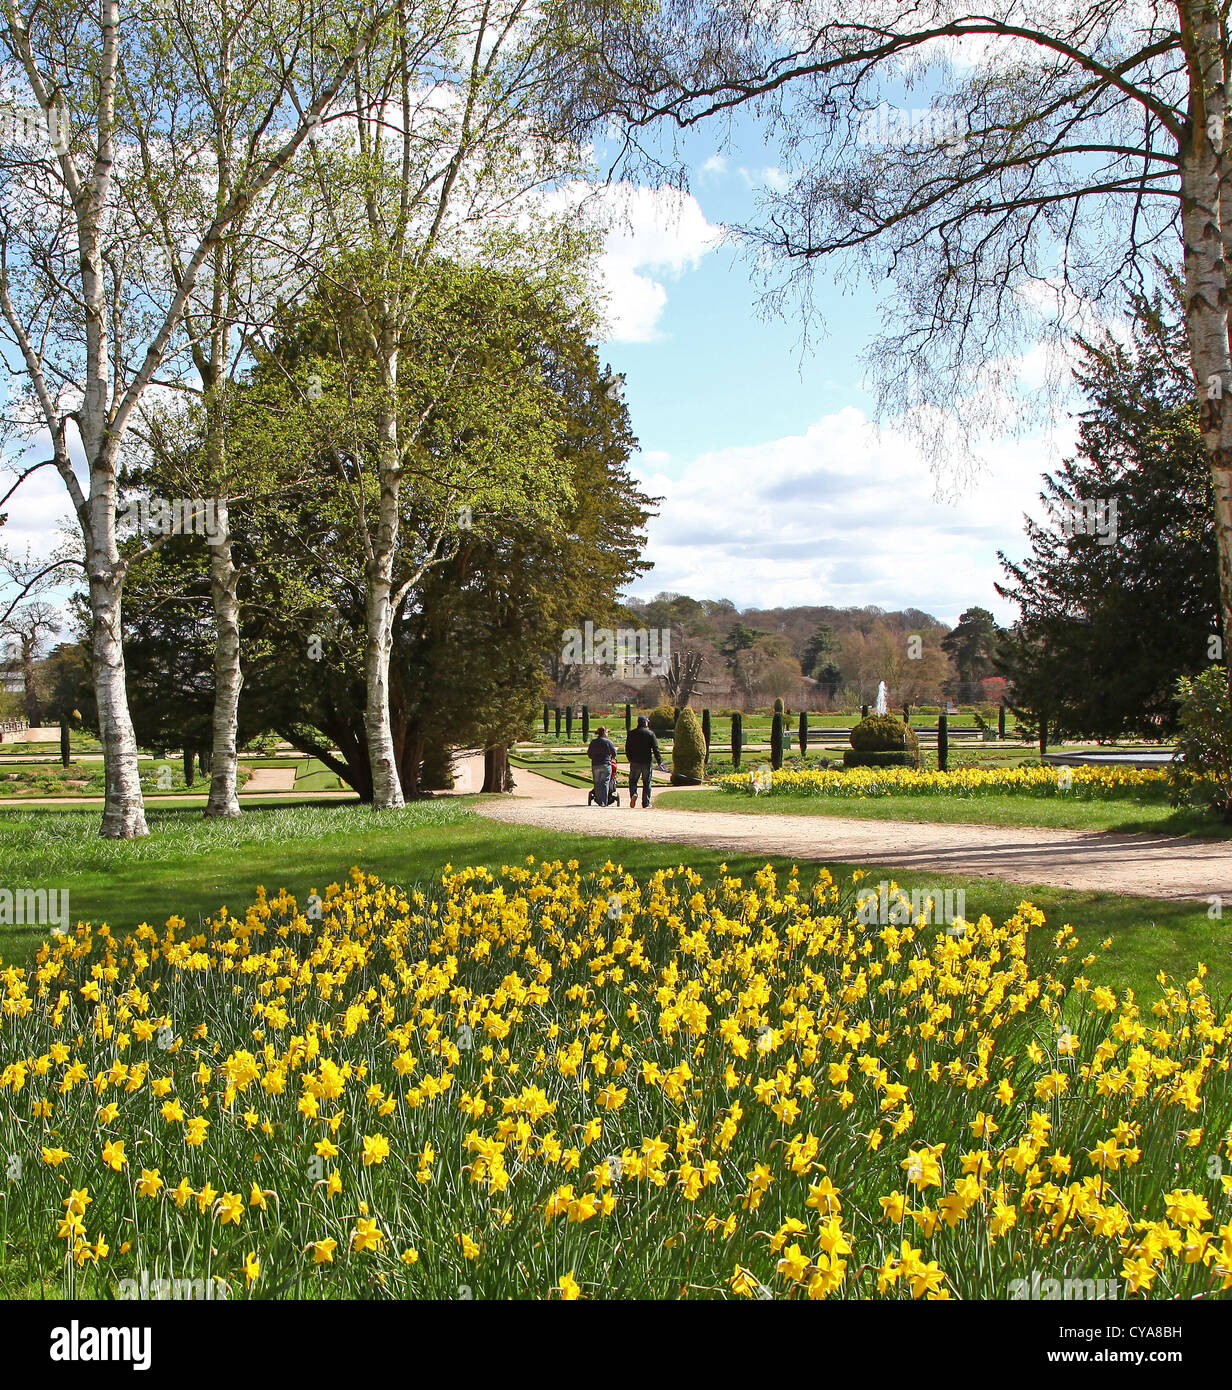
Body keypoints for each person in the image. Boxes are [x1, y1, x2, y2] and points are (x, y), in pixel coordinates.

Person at [624, 714, 666, 808]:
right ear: (645, 722)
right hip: (646, 761)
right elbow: (655, 749)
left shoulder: (631, 733)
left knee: (633, 781)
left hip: (635, 761)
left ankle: (633, 794)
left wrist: (630, 758)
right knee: (647, 782)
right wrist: (659, 761)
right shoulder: (650, 734)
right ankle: (646, 803)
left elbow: (627, 748)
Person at [586, 725, 618, 806]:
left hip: (596, 764)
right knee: (605, 783)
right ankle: (603, 802)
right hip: (605, 764)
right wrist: (612, 758)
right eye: (607, 732)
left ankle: (598, 800)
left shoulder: (593, 742)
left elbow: (589, 754)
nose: (608, 734)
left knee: (597, 783)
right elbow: (614, 753)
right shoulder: (608, 742)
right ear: (604, 733)